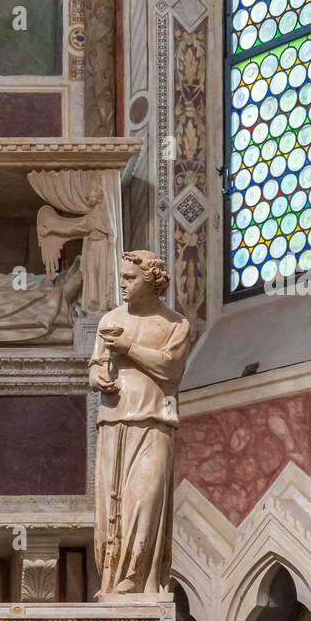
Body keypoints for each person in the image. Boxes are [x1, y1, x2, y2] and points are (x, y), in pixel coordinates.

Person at [89, 251, 191, 595]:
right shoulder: (109, 320)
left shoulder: (175, 325)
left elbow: (169, 369)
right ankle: (114, 576)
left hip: (155, 420)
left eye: (130, 278)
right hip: (114, 419)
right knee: (112, 505)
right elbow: (95, 365)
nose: (122, 283)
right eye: (121, 276)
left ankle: (138, 573)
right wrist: (98, 377)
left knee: (144, 497)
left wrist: (129, 346)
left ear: (151, 281)